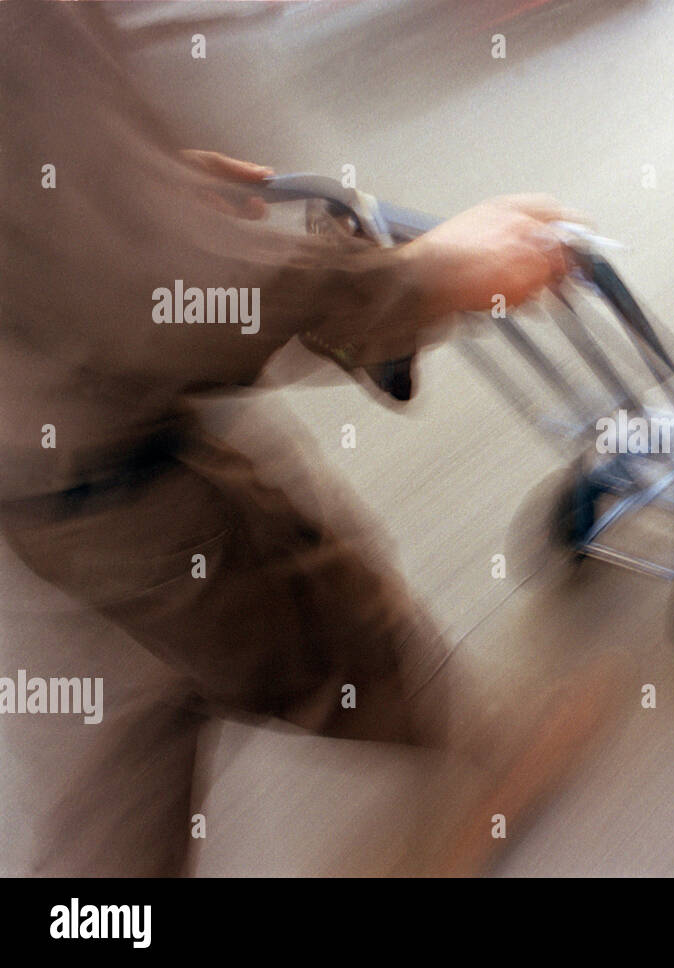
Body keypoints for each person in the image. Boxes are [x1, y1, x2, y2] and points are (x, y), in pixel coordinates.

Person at [0, 1, 615, 875]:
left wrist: (137, 181)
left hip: (33, 479)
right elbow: (165, 300)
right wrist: (429, 277)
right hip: (117, 460)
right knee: (307, 604)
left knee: (115, 757)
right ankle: (487, 764)